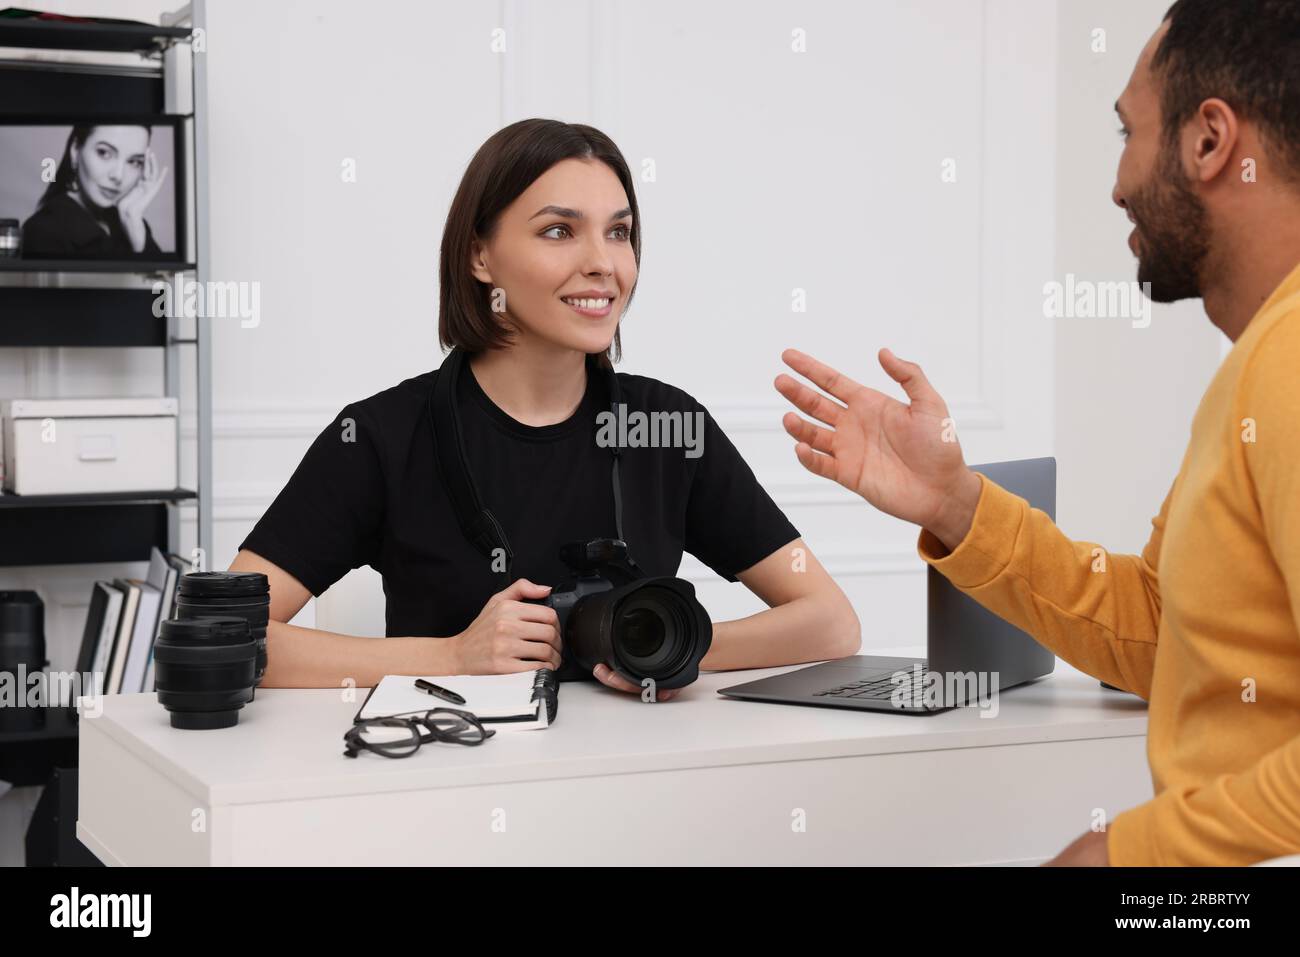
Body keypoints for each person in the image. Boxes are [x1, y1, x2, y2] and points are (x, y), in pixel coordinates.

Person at [774, 0, 1300, 865]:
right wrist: (958, 504)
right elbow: (1167, 631)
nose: (1118, 181)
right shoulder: (1254, 369)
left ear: (1210, 142)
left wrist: (1128, 859)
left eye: (1128, 131)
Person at [231, 118, 860, 698]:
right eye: (559, 231)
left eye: (619, 232)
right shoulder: (379, 437)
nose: (601, 264)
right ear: (481, 256)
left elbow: (830, 623)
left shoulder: (665, 428)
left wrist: (663, 646)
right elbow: (228, 636)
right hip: (445, 777)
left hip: (636, 782)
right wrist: (452, 656)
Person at [21, 124, 169, 259]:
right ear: (75, 150)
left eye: (134, 162)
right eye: (104, 153)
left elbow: (162, 287)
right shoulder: (42, 231)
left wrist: (134, 223)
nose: (118, 176)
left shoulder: (132, 221)